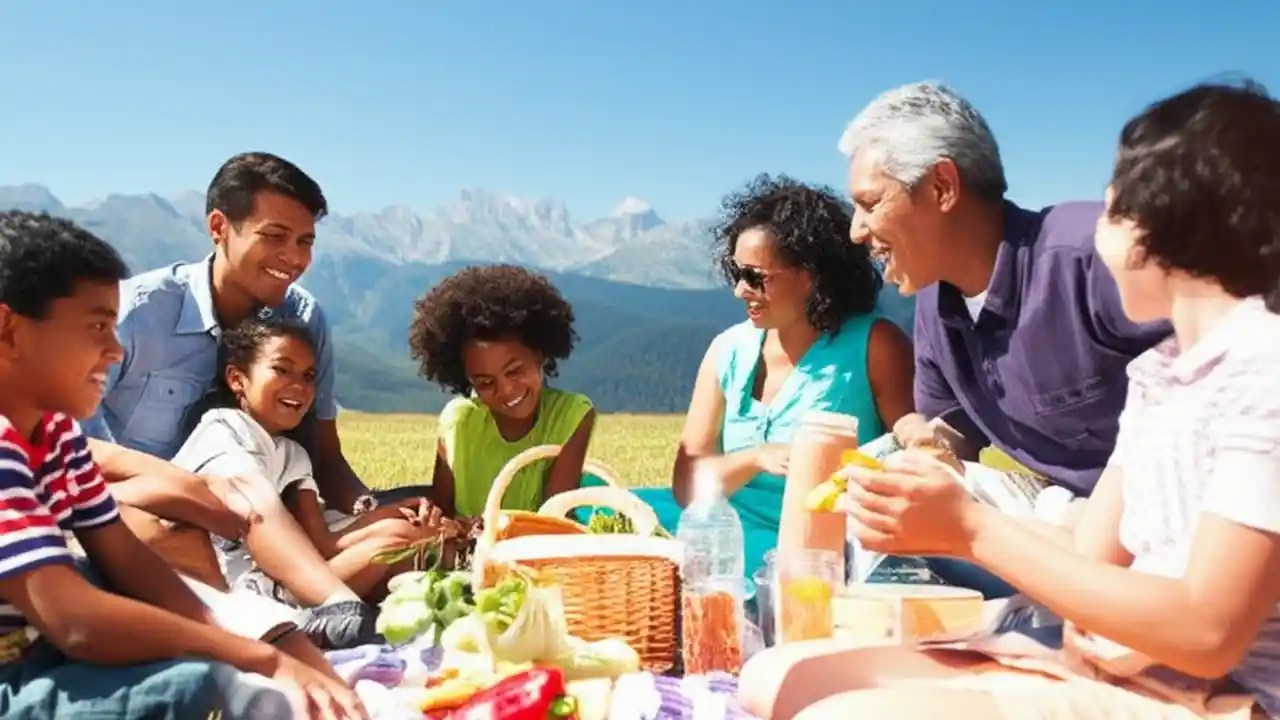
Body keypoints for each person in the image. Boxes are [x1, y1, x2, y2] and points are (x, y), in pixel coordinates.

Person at [741, 79, 1280, 720]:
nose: (856, 231)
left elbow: (1206, 633)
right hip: (1122, 650)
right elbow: (1089, 564)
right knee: (776, 679)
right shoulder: (1158, 378)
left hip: (1223, 694)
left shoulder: (1254, 366)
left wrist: (970, 531)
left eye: (1113, 212)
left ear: (1165, 230)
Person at [0, 210, 367, 720]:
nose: (113, 349)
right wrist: (250, 655)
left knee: (210, 615)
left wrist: (239, 636)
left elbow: (130, 561)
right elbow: (74, 620)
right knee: (185, 686)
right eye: (97, 326)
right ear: (9, 329)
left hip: (44, 647)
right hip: (16, 671)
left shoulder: (58, 437)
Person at [836, 81, 1172, 596]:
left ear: (943, 187)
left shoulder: (1093, 258)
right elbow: (954, 432)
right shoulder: (933, 306)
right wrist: (923, 450)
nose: (857, 231)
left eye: (870, 203)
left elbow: (1222, 385)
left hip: (1177, 533)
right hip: (1070, 533)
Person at [82, 151, 385, 647]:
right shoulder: (135, 314)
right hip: (139, 507)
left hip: (263, 517)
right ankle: (290, 617)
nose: (294, 257)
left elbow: (323, 455)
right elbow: (69, 451)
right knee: (174, 536)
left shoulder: (305, 319)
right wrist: (186, 491)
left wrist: (371, 509)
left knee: (408, 531)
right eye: (274, 236)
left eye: (305, 241)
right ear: (219, 227)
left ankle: (306, 614)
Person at [659, 174, 915, 581]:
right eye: (734, 272)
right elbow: (686, 487)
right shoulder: (727, 350)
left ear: (811, 276)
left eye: (756, 276)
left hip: (829, 552)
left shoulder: (877, 346)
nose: (740, 290)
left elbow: (912, 463)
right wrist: (755, 458)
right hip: (726, 538)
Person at [173, 317, 458, 603]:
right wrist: (394, 537)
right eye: (282, 370)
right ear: (237, 379)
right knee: (390, 545)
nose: (298, 385)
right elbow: (258, 517)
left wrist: (391, 514)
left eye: (308, 376)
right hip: (233, 585)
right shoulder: (223, 431)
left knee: (405, 537)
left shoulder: (293, 454)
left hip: (289, 575)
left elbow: (323, 543)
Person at [410, 264, 595, 519]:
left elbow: (555, 518)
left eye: (514, 370)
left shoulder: (571, 416)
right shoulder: (458, 421)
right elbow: (442, 512)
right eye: (485, 382)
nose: (506, 390)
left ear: (540, 353)